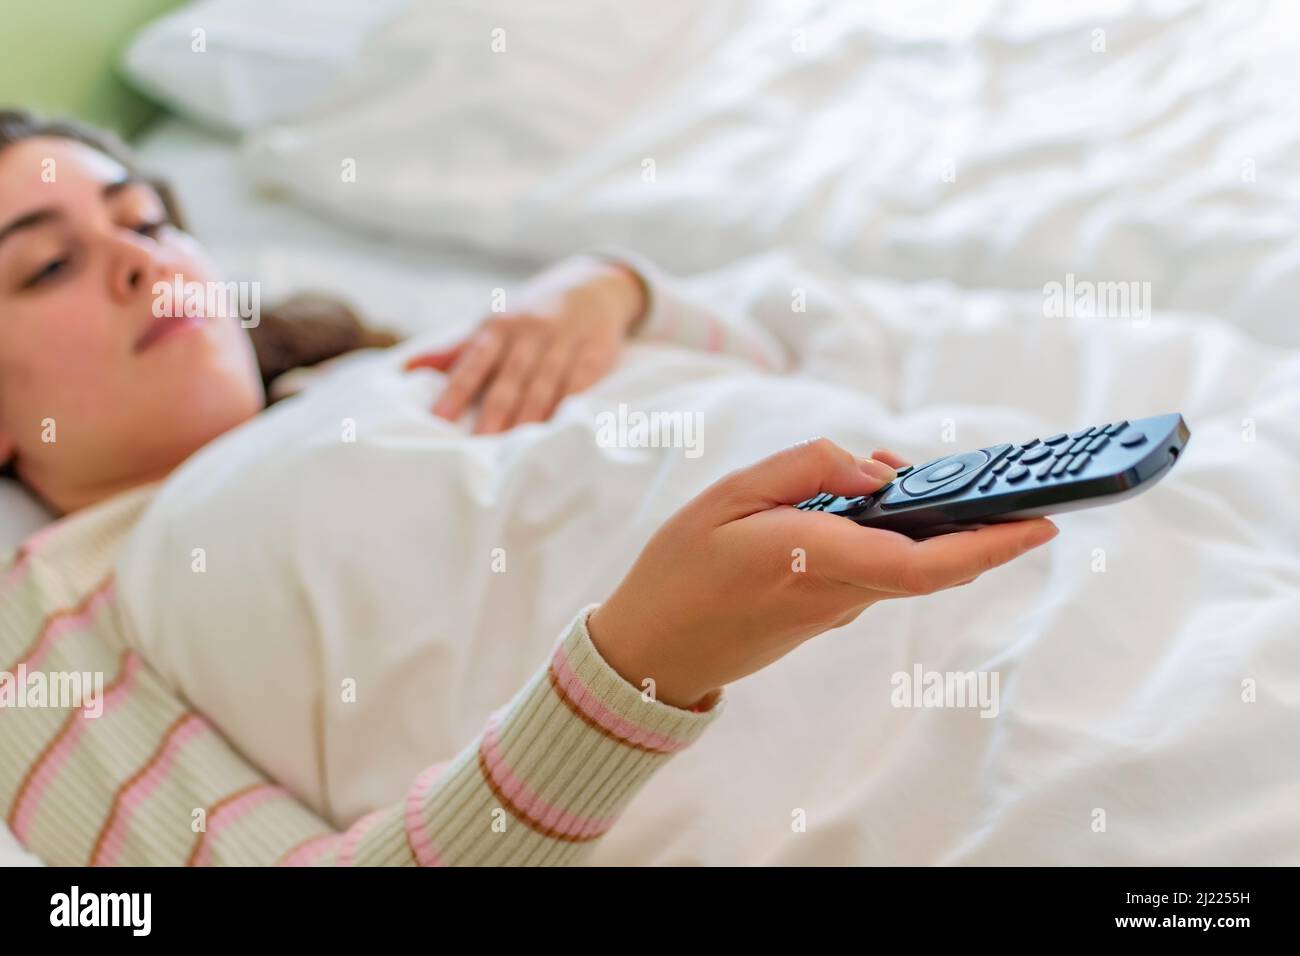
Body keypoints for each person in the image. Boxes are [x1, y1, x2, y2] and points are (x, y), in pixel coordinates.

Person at [0, 111, 1056, 865]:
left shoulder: (378, 369)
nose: (144, 264)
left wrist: (615, 291)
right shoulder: (47, 631)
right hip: (917, 767)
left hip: (1045, 569)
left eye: (141, 218)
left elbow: (786, 369)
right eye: (46, 267)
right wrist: (638, 673)